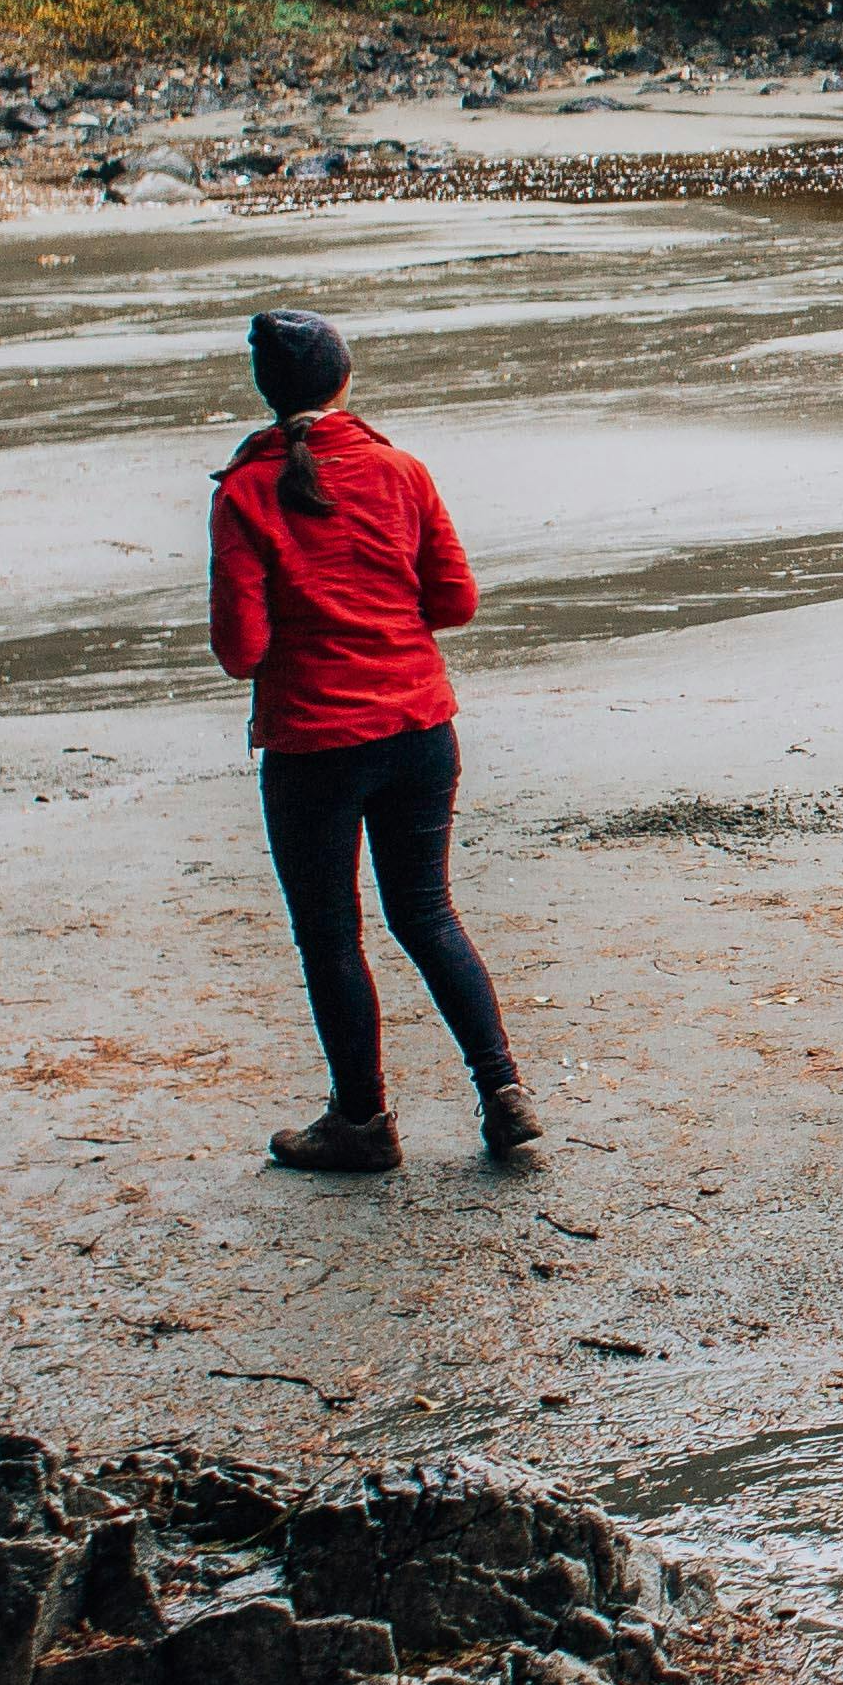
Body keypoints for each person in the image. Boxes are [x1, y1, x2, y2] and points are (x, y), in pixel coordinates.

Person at [208, 310, 542, 1170]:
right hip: (419, 728)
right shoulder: (401, 470)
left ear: (269, 393)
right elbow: (455, 603)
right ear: (344, 381)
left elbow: (239, 650)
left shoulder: (245, 493)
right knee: (427, 914)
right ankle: (503, 1092)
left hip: (313, 745)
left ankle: (362, 1122)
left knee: (330, 935)